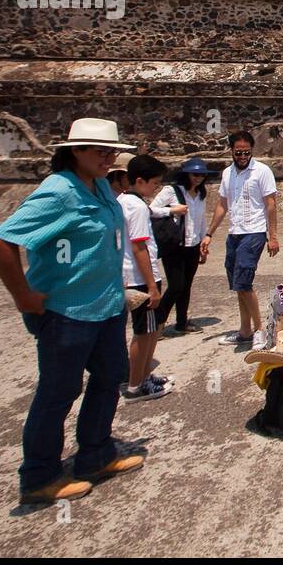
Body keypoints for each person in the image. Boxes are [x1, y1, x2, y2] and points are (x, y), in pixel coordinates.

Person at [0, 118, 143, 505]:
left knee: (110, 379)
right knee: (59, 391)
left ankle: (96, 453)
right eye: (99, 151)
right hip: (68, 311)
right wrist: (23, 296)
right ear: (75, 151)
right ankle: (39, 476)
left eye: (111, 151)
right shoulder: (59, 192)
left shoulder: (102, 189)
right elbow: (0, 242)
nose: (108, 157)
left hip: (106, 308)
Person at [203, 130, 280, 349]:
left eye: (246, 152)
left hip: (254, 232)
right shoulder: (228, 173)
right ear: (232, 151)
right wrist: (209, 234)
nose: (243, 156)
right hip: (234, 233)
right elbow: (222, 204)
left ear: (252, 151)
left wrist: (272, 236)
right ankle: (244, 329)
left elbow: (271, 204)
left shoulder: (262, 171)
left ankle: (260, 330)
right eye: (238, 153)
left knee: (244, 281)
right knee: (238, 284)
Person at [119, 154, 173, 400]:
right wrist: (152, 286)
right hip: (142, 279)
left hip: (131, 276)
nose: (156, 188)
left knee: (146, 330)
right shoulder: (138, 207)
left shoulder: (122, 202)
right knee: (145, 334)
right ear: (139, 181)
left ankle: (142, 376)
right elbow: (140, 246)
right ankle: (136, 384)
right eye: (154, 183)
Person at [150, 158, 217, 334]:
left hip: (193, 245)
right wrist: (172, 210)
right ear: (186, 174)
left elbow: (201, 220)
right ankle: (158, 321)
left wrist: (204, 240)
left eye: (202, 175)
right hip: (175, 245)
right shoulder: (171, 191)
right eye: (195, 174)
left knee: (186, 285)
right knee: (176, 285)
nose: (198, 178)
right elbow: (150, 210)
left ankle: (182, 322)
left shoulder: (201, 194)